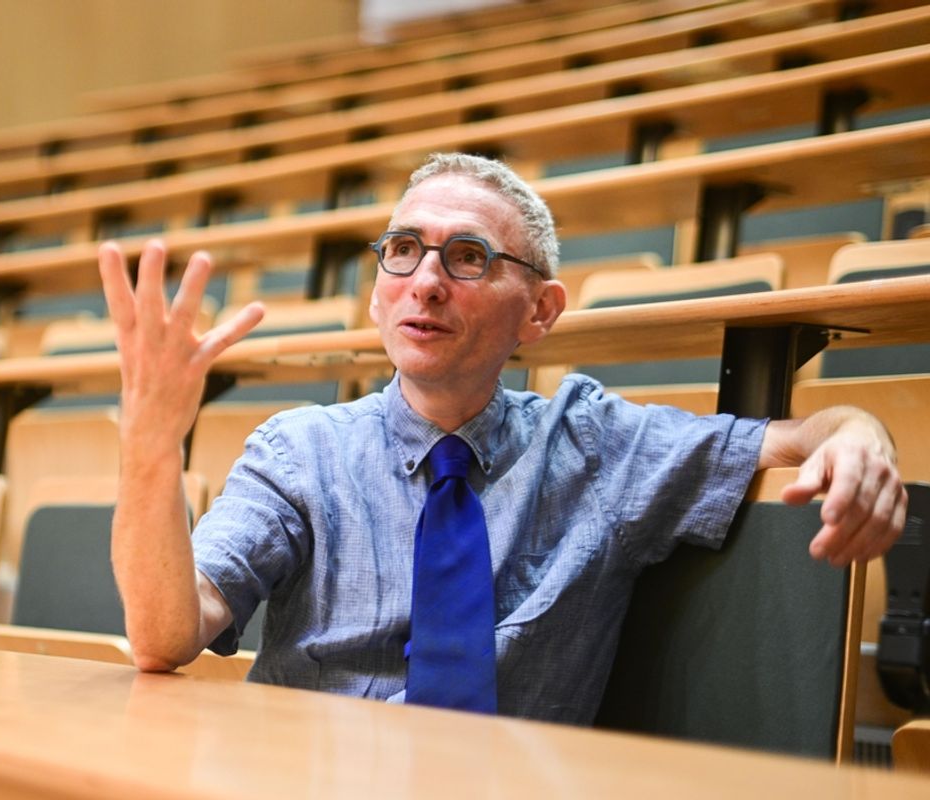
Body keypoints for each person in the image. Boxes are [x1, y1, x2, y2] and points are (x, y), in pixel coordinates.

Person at [96, 152, 906, 722]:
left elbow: (805, 435)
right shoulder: (297, 451)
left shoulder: (595, 444)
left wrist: (862, 432)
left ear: (541, 312)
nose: (427, 281)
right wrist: (150, 449)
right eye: (404, 251)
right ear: (378, 297)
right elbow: (166, 635)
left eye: (469, 257)